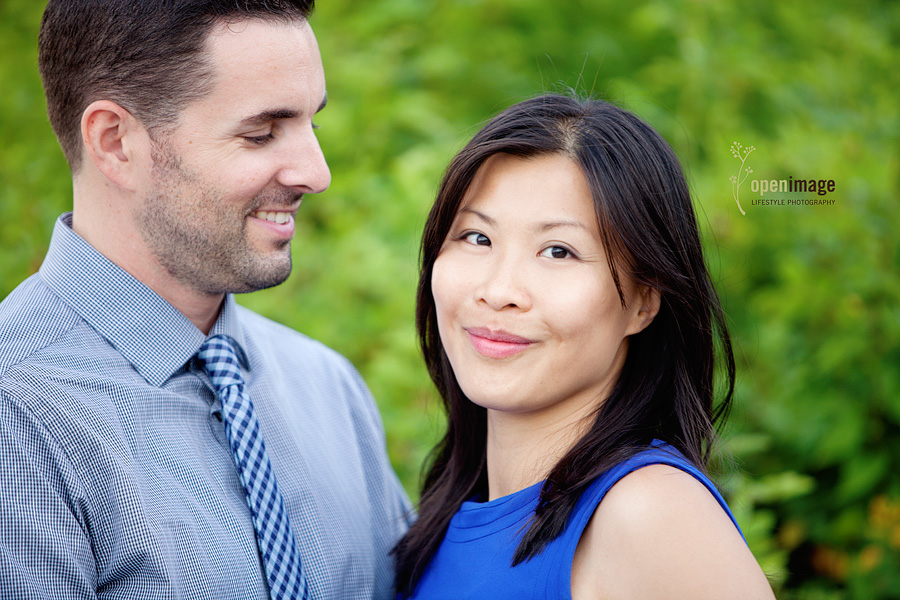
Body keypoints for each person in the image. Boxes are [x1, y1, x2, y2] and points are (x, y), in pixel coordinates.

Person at [0, 0, 411, 598]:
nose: (316, 174)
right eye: (261, 133)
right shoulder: (15, 413)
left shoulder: (328, 387)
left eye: (310, 126)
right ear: (114, 141)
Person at [393, 94, 776, 598]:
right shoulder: (443, 520)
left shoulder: (648, 512)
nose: (498, 290)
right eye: (477, 238)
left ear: (643, 301)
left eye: (558, 250)